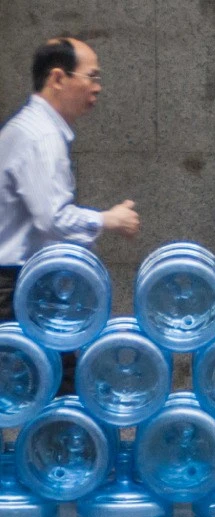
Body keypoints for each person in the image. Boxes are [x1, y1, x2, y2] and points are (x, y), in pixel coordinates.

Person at [0, 37, 141, 391]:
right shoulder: (41, 136)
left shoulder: (30, 128)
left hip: (20, 280)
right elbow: (53, 220)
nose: (98, 87)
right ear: (58, 78)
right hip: (15, 283)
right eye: (91, 77)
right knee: (55, 390)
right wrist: (108, 219)